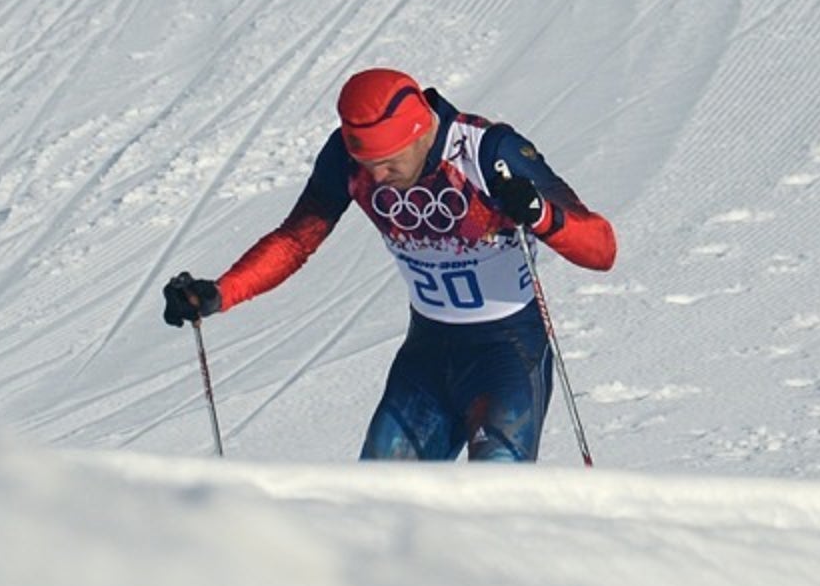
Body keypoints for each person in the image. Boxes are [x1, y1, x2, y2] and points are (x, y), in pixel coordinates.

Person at [161, 68, 616, 461]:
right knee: (374, 506)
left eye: (389, 162)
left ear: (420, 132)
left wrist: (541, 215)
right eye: (367, 162)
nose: (377, 178)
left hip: (507, 353)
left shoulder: (489, 153)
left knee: (491, 508)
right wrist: (220, 294)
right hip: (427, 355)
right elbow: (296, 240)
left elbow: (602, 249)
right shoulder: (345, 157)